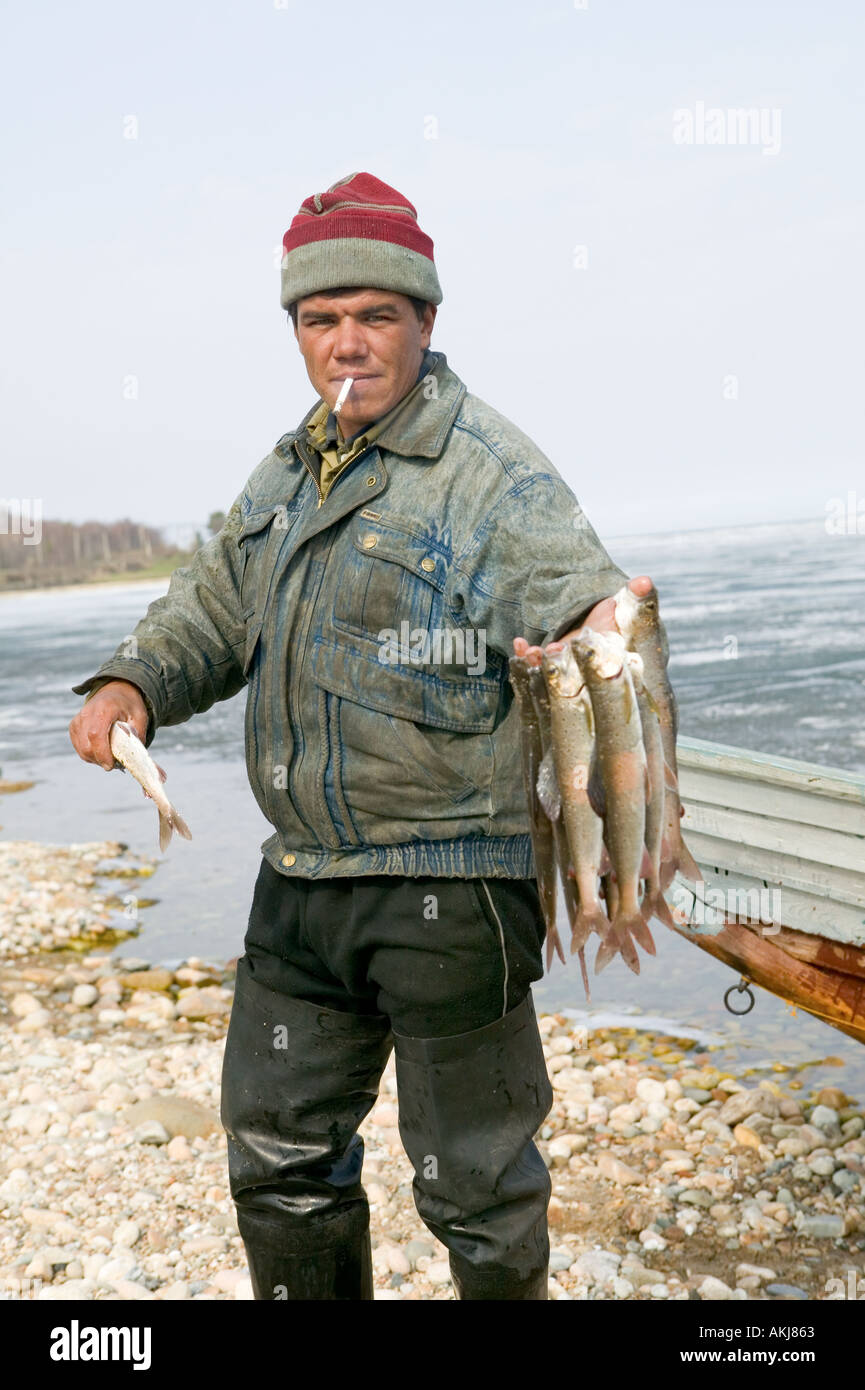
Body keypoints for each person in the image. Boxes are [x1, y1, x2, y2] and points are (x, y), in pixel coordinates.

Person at [69, 171, 659, 1301]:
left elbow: (576, 598)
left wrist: (597, 626)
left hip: (453, 882)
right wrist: (133, 682)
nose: (348, 343)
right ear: (295, 331)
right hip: (303, 883)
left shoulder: (488, 470)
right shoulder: (289, 470)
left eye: (376, 316)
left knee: (474, 1185)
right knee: (278, 1157)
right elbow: (212, 608)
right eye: (321, 318)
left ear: (425, 321)